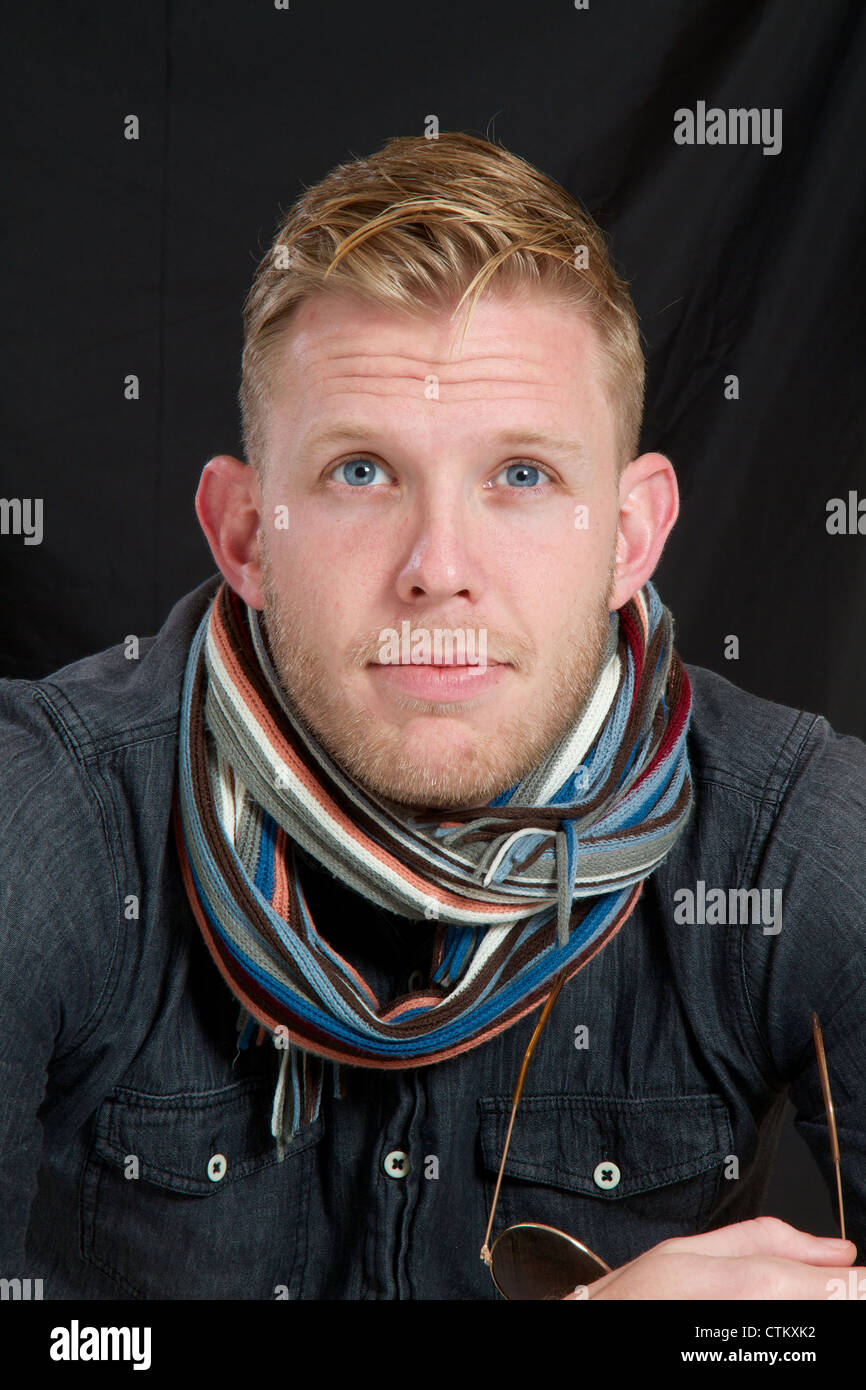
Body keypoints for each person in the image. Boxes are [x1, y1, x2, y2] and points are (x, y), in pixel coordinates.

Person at [0, 132, 862, 1301]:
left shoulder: (784, 838)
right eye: (360, 471)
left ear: (629, 534)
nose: (436, 568)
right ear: (247, 534)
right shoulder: (46, 817)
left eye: (519, 475)